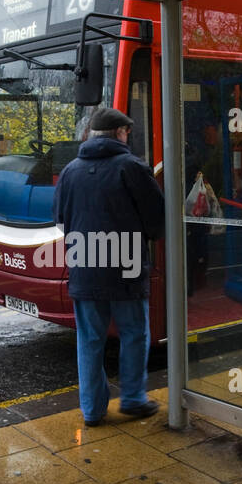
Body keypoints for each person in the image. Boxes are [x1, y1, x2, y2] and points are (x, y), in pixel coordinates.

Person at [54, 107, 165, 426]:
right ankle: (132, 399)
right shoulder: (132, 167)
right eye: (126, 132)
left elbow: (60, 219)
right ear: (119, 133)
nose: (128, 136)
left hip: (85, 265)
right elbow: (156, 218)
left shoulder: (70, 170)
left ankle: (92, 410)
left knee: (89, 340)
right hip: (126, 267)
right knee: (133, 333)